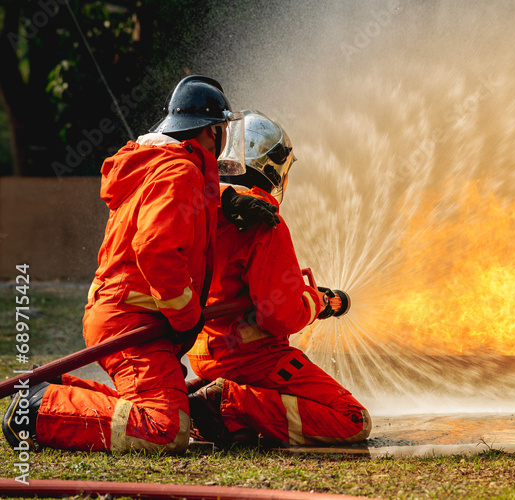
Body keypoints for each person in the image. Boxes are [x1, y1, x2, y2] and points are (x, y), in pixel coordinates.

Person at [2, 76, 277, 453]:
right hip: (131, 321)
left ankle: (52, 392)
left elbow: (180, 211)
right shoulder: (179, 173)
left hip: (125, 315)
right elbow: (156, 248)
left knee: (157, 409)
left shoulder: (162, 166)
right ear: (212, 132)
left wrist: (227, 200)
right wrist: (186, 315)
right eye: (223, 131)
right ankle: (36, 410)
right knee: (166, 428)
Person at [186, 110, 370, 447]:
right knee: (351, 420)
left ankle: (214, 404)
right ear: (274, 168)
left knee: (245, 433)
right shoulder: (263, 219)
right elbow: (278, 315)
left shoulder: (199, 206)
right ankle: (227, 400)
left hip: (204, 356)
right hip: (255, 360)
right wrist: (316, 301)